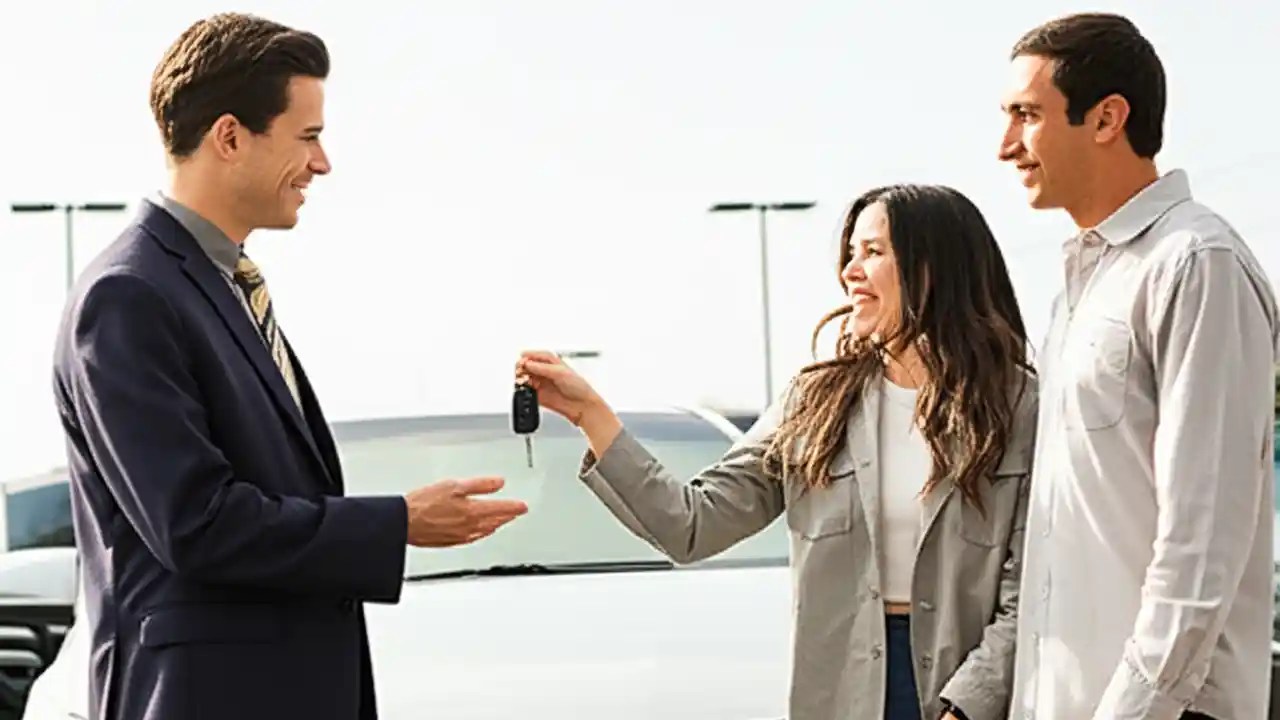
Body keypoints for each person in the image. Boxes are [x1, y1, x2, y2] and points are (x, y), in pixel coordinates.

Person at [50, 13, 528, 720]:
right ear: (231, 137)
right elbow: (197, 523)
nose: (323, 162)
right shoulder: (128, 296)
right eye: (308, 137)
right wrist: (397, 524)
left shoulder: (216, 286)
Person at [517, 184, 1038, 720]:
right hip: (842, 693)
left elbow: (1033, 587)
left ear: (935, 269)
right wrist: (592, 416)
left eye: (874, 252)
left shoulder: (1023, 407)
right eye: (851, 253)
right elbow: (692, 525)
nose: (850, 273)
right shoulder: (816, 403)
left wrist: (968, 706)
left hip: (968, 695)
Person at [997, 12, 1277, 720]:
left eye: (1027, 115)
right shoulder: (1084, 287)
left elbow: (1202, 535)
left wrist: (1133, 709)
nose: (1007, 146)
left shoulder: (1196, 264)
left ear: (1106, 118)